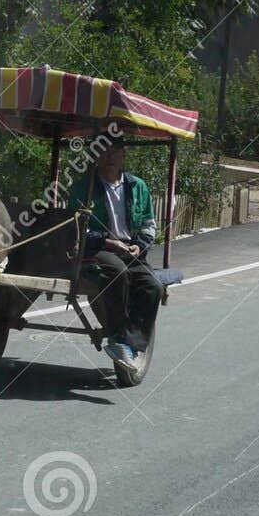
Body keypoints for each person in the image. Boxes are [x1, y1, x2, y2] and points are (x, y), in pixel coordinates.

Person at [70, 141, 162, 371]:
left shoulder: (137, 186)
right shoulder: (84, 188)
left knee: (153, 287)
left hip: (131, 250)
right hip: (98, 249)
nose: (110, 157)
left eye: (115, 152)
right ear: (96, 156)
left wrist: (138, 247)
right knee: (117, 274)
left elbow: (150, 225)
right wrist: (107, 242)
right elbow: (76, 228)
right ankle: (119, 338)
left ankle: (132, 344)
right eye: (104, 152)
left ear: (123, 156)